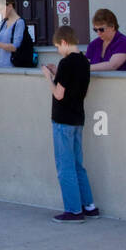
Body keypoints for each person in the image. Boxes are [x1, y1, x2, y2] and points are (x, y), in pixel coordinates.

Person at [42, 25, 99, 223]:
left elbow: (59, 93)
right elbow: (77, 87)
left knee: (64, 166)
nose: (58, 50)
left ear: (64, 42)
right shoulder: (84, 61)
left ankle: (74, 211)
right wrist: (57, 73)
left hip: (62, 120)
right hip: (77, 118)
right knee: (77, 165)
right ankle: (89, 206)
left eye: (58, 46)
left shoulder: (66, 63)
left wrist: (48, 78)